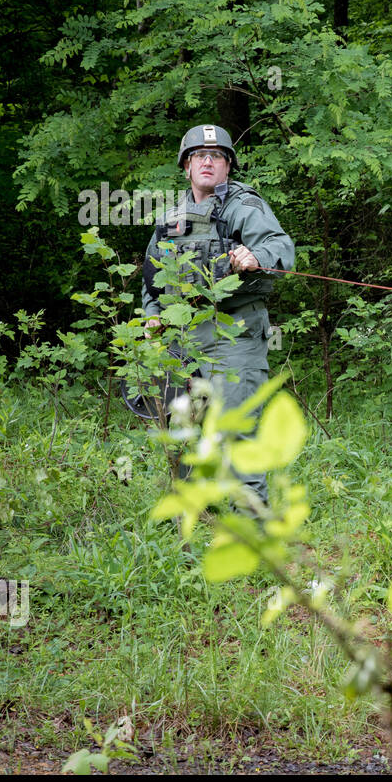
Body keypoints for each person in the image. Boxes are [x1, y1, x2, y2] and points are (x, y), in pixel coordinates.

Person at [140, 124, 295, 503]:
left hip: (233, 331)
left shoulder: (245, 205)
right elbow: (150, 276)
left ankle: (252, 521)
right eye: (198, 156)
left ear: (228, 167)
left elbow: (281, 246)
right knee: (181, 424)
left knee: (235, 428)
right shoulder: (171, 217)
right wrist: (151, 313)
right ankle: (195, 515)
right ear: (186, 166)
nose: (207, 161)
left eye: (217, 156)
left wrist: (256, 256)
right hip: (180, 335)